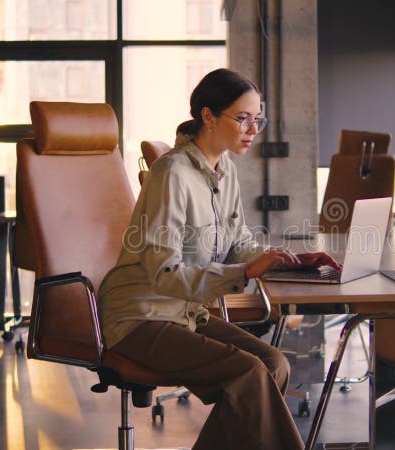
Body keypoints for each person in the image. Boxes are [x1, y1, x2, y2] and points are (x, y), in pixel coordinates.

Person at [98, 68, 341, 450]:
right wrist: (243, 272)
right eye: (242, 118)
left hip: (184, 314)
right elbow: (164, 272)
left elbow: (237, 241)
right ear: (208, 116)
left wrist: (283, 260)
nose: (252, 128)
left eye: (257, 119)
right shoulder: (172, 174)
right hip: (139, 316)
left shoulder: (224, 170)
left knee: (273, 364)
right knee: (247, 373)